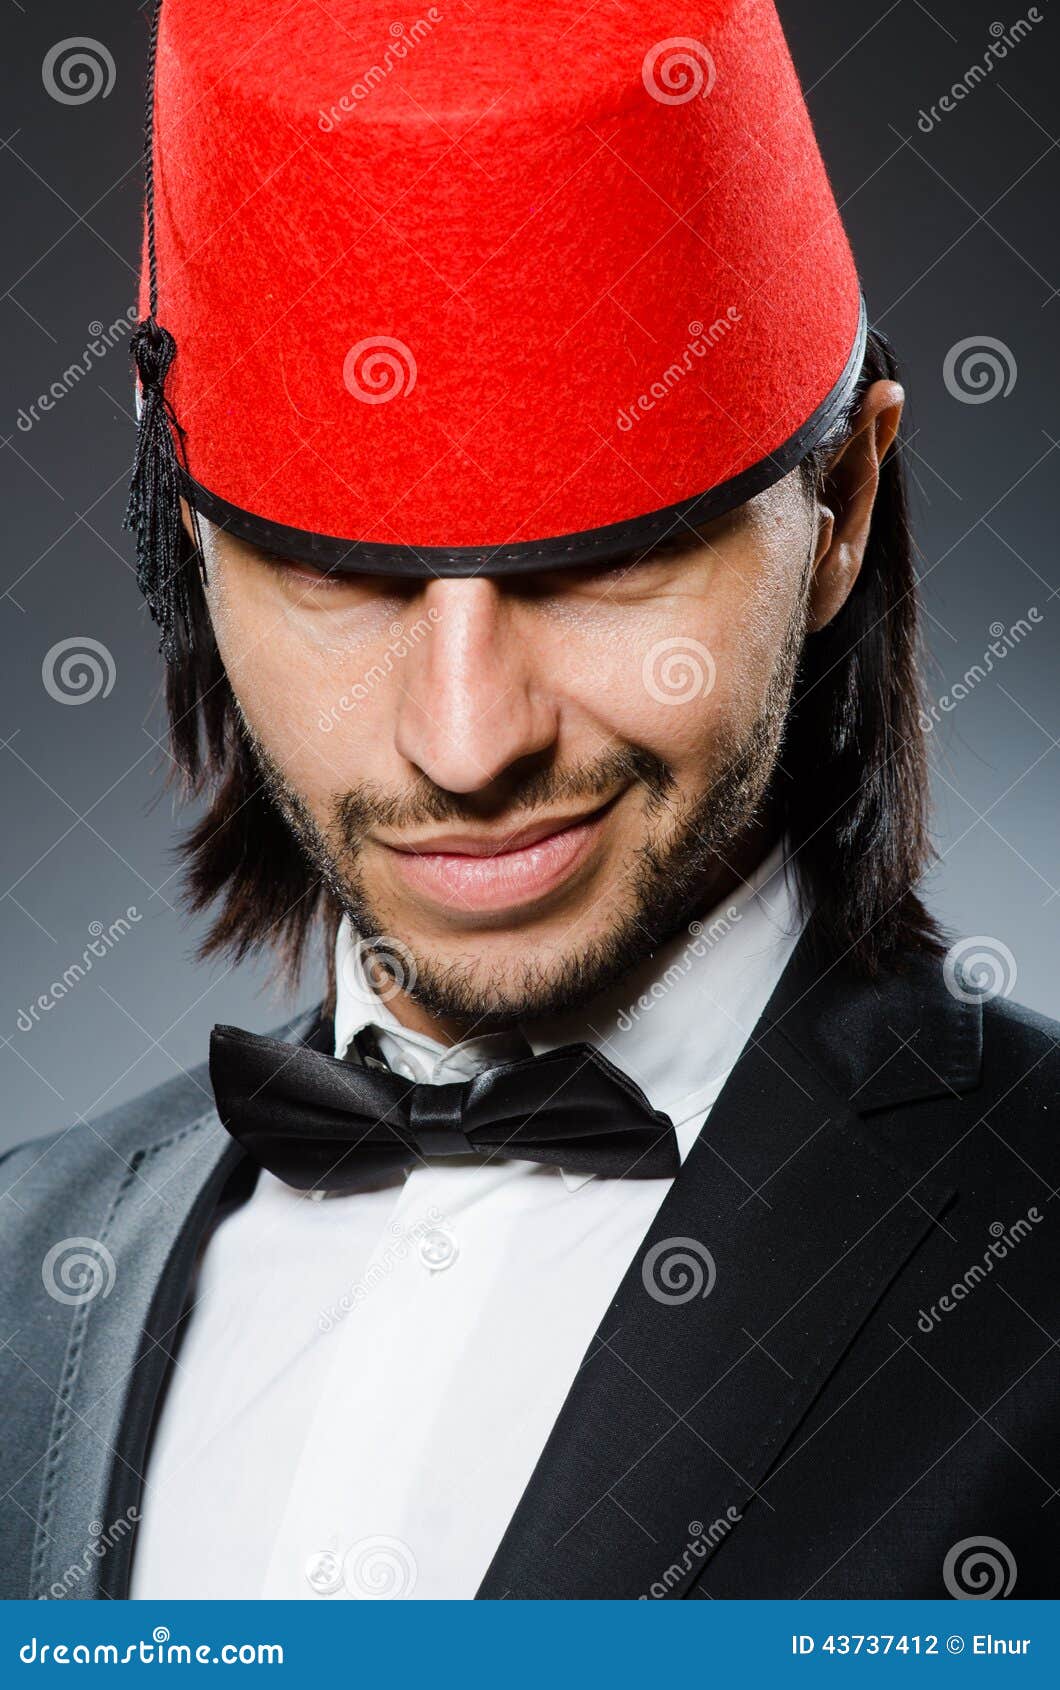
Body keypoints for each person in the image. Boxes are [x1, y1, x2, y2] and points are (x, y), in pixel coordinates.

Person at [1, 0, 1056, 1602]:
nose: (466, 737)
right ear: (194, 553)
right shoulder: (23, 1268)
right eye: (341, 577)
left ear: (838, 506)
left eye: (598, 563)